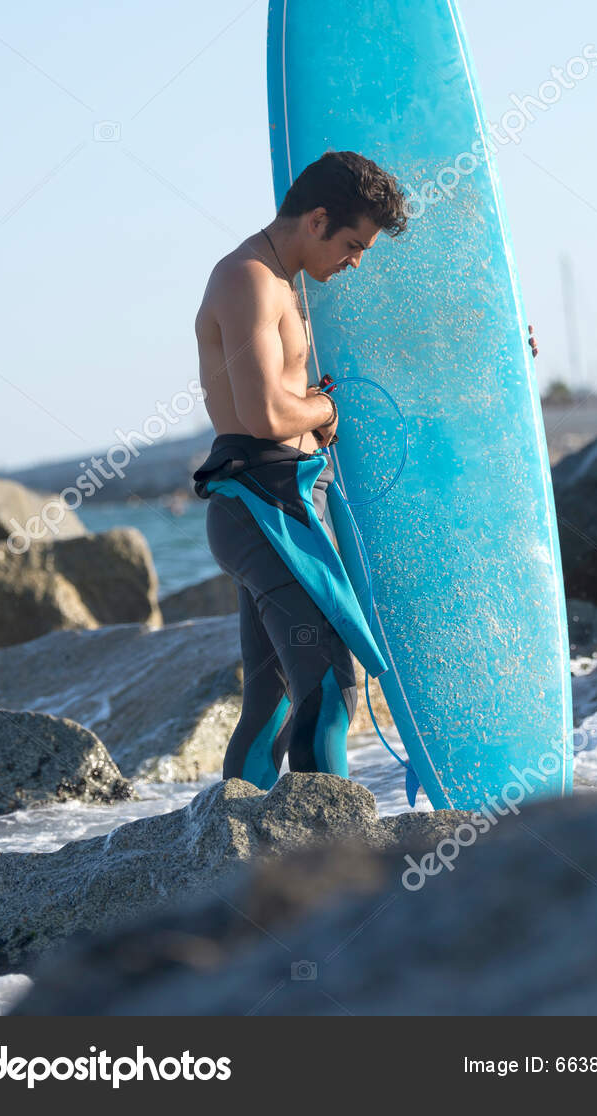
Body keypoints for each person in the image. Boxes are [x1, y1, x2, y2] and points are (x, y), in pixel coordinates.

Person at [192, 150, 409, 785]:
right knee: (331, 686)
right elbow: (262, 414)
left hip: (275, 504)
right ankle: (331, 865)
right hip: (265, 506)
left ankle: (236, 856)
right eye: (352, 243)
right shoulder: (250, 279)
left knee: (277, 695)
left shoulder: (283, 280)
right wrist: (325, 408)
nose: (355, 261)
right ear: (316, 220)